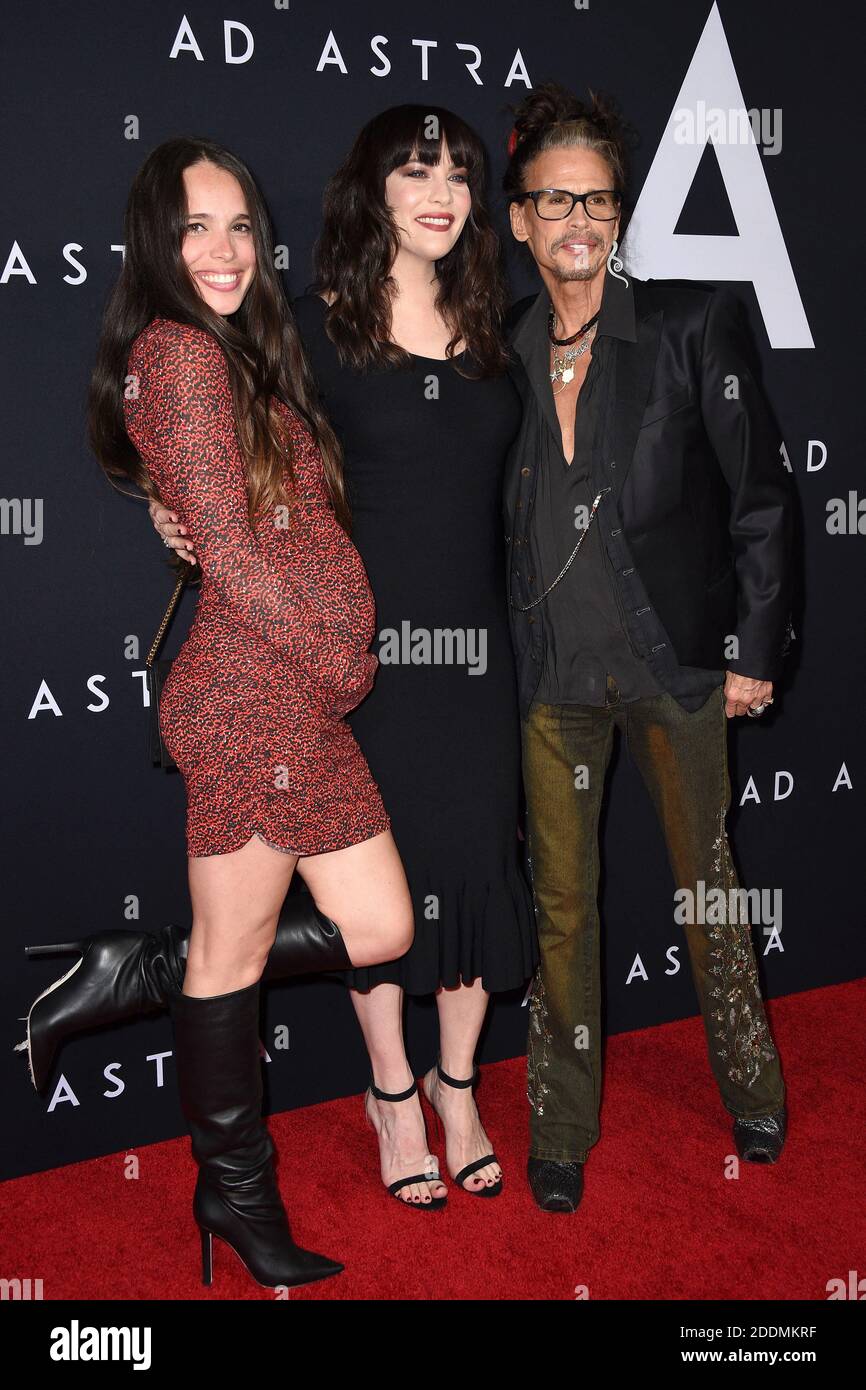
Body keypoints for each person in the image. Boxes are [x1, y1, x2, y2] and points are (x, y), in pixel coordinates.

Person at [15, 137, 414, 1289]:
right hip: (255, 694)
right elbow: (234, 556)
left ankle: (127, 966)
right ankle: (237, 1198)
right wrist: (335, 651)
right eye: (196, 227)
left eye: (239, 225)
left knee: (380, 926)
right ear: (155, 242)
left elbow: (224, 515)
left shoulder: (224, 355)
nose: (224, 249)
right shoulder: (179, 355)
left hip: (285, 692)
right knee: (232, 961)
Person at [151, 106, 539, 1208]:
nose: (441, 189)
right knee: (384, 893)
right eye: (415, 169)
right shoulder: (309, 333)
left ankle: (455, 1086)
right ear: (370, 190)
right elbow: (205, 439)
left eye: (459, 173)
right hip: (351, 657)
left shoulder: (496, 328)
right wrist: (164, 514)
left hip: (477, 648)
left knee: (470, 874)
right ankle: (388, 1094)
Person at [501, 84, 793, 1212]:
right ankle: (561, 1124)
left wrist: (750, 645)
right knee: (563, 910)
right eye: (552, 198)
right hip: (553, 685)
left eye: (597, 197)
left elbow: (760, 498)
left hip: (675, 670)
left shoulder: (686, 324)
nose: (577, 216)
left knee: (706, 889)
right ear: (519, 220)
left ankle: (752, 1087)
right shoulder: (504, 352)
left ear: (617, 213)